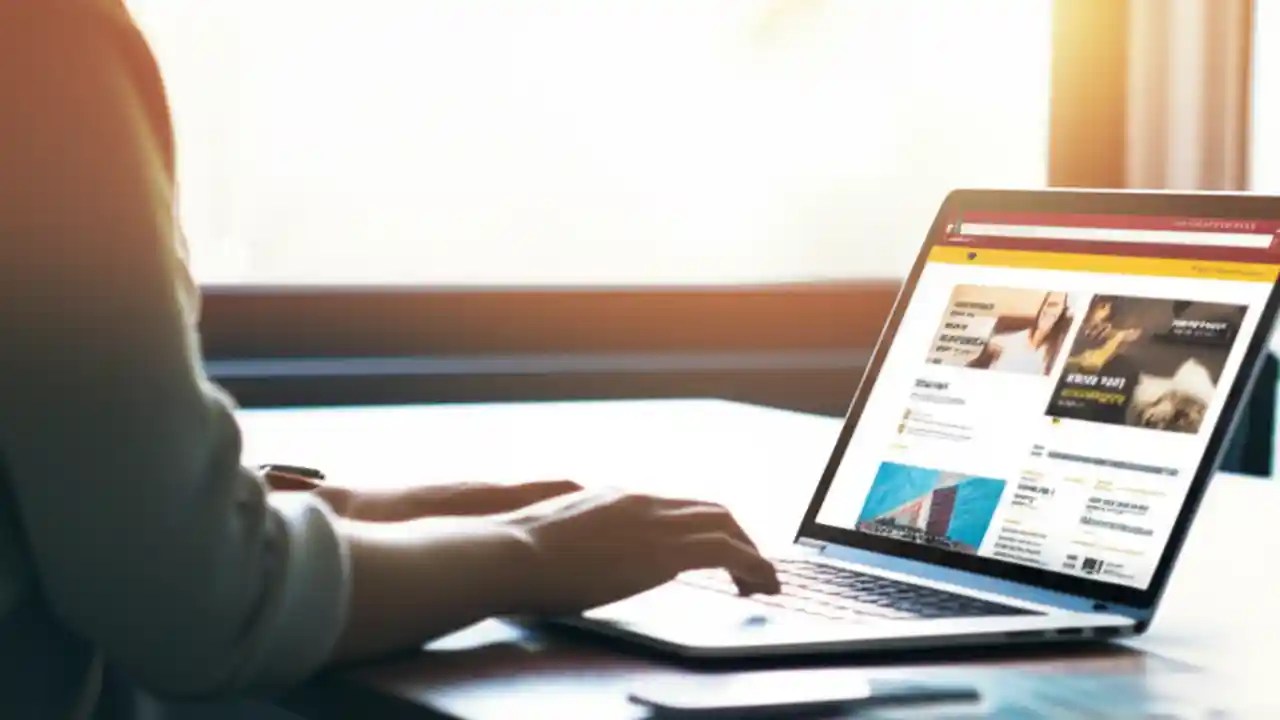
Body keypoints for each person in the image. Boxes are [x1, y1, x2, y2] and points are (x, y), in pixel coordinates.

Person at [0, 2, 779, 717]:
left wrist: (423, 515)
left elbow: (82, 504)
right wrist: (536, 551)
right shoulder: (46, 41)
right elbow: (194, 597)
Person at [969, 291, 1073, 375]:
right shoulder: (1014, 339)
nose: (1046, 310)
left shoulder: (1054, 354)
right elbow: (990, 349)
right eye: (1046, 304)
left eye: (1054, 305)